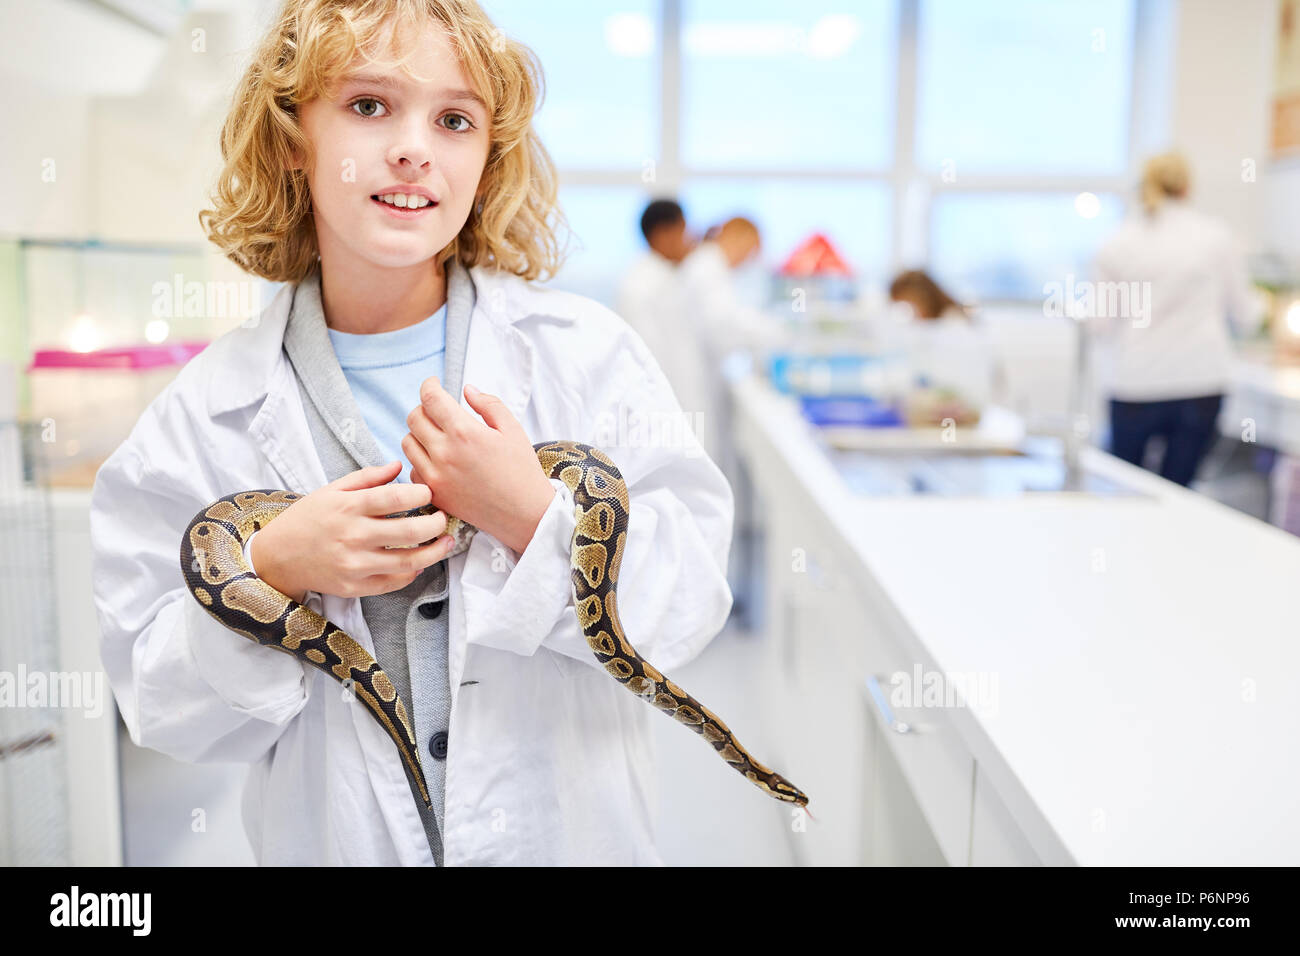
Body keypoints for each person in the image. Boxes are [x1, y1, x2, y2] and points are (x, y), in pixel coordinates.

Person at [88, 0, 734, 867]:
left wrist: (532, 516)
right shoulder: (204, 413)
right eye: (367, 106)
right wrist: (273, 570)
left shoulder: (586, 357)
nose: (414, 148)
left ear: (487, 157)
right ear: (291, 140)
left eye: (455, 119)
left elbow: (689, 600)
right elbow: (162, 708)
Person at [1091, 152, 1256, 486]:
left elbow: (1100, 325)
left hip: (1135, 384)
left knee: (1124, 492)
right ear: (1187, 186)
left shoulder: (1117, 243)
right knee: (1180, 494)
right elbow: (1246, 315)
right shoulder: (1215, 236)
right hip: (1200, 383)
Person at [885, 269, 1002, 417]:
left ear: (922, 299)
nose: (912, 315)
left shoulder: (952, 328)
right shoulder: (947, 324)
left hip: (964, 413)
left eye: (911, 306)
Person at [615, 198, 694, 390]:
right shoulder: (640, 285)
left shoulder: (665, 276)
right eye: (684, 231)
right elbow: (648, 356)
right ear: (663, 234)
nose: (689, 239)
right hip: (660, 398)